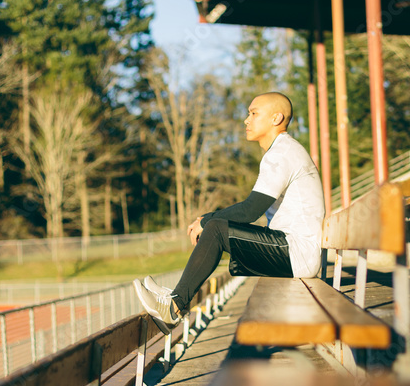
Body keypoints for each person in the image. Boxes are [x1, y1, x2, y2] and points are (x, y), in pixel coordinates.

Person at [134, 91, 325, 332]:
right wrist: (208, 220)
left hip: (297, 254)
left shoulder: (282, 154)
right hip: (293, 250)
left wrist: (205, 220)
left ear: (276, 118)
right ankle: (175, 296)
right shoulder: (281, 151)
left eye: (254, 113)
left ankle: (174, 307)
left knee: (216, 230)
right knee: (217, 228)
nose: (246, 120)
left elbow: (249, 210)